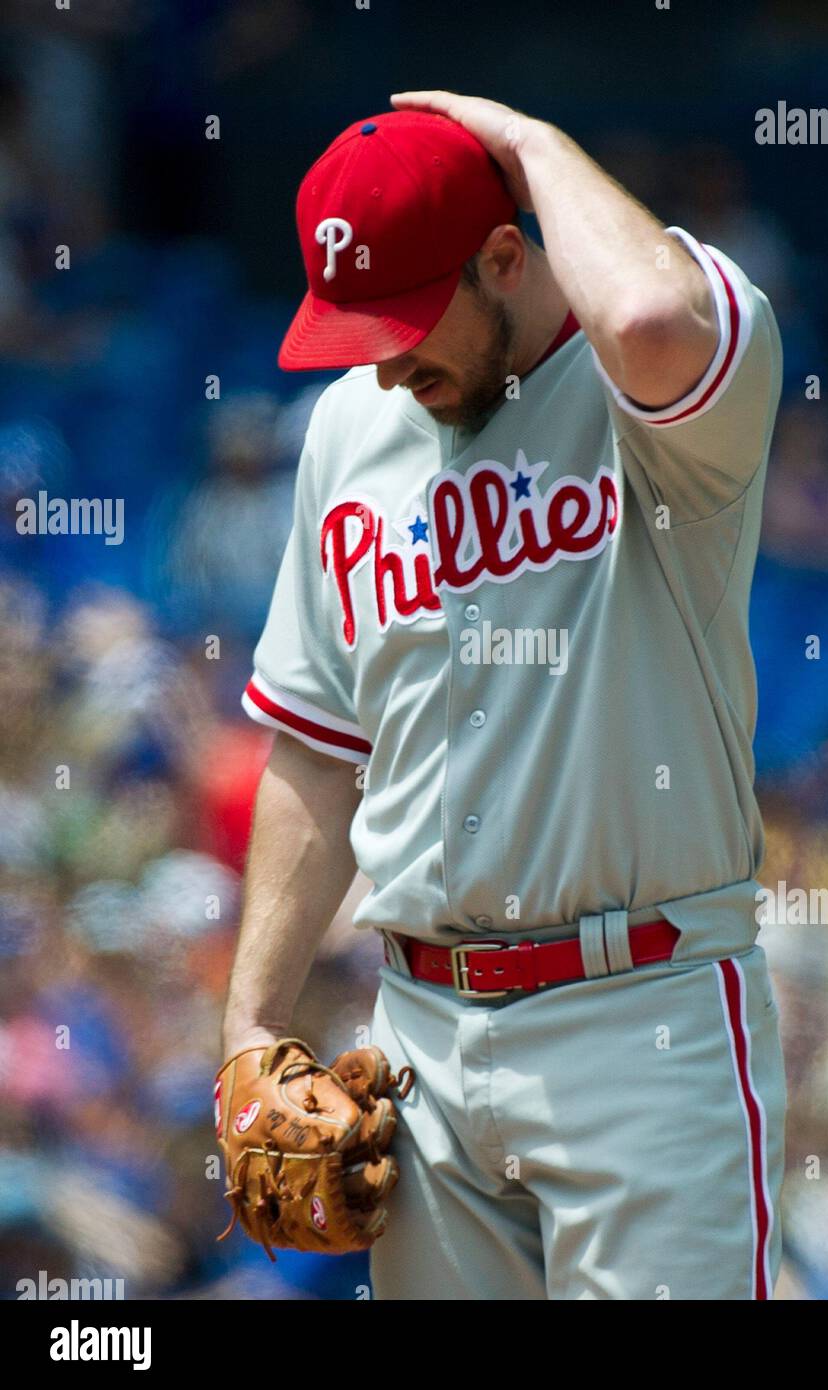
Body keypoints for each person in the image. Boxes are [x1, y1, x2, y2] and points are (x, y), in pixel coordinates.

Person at [222, 91, 786, 1301]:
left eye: (408, 319)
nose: (385, 363)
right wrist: (249, 1025)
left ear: (506, 256)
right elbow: (318, 747)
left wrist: (531, 147)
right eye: (360, 327)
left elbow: (647, 318)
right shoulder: (350, 429)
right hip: (418, 1043)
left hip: (645, 1019)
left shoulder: (653, 389)